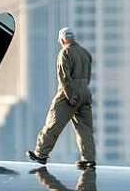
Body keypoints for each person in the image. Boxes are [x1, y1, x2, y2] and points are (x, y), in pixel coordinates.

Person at [28, 27, 96, 169]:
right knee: (85, 129)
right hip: (86, 92)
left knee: (53, 122)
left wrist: (70, 96)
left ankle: (41, 153)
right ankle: (88, 159)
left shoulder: (65, 52)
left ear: (62, 39)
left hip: (70, 92)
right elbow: (88, 75)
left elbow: (64, 77)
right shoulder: (85, 53)